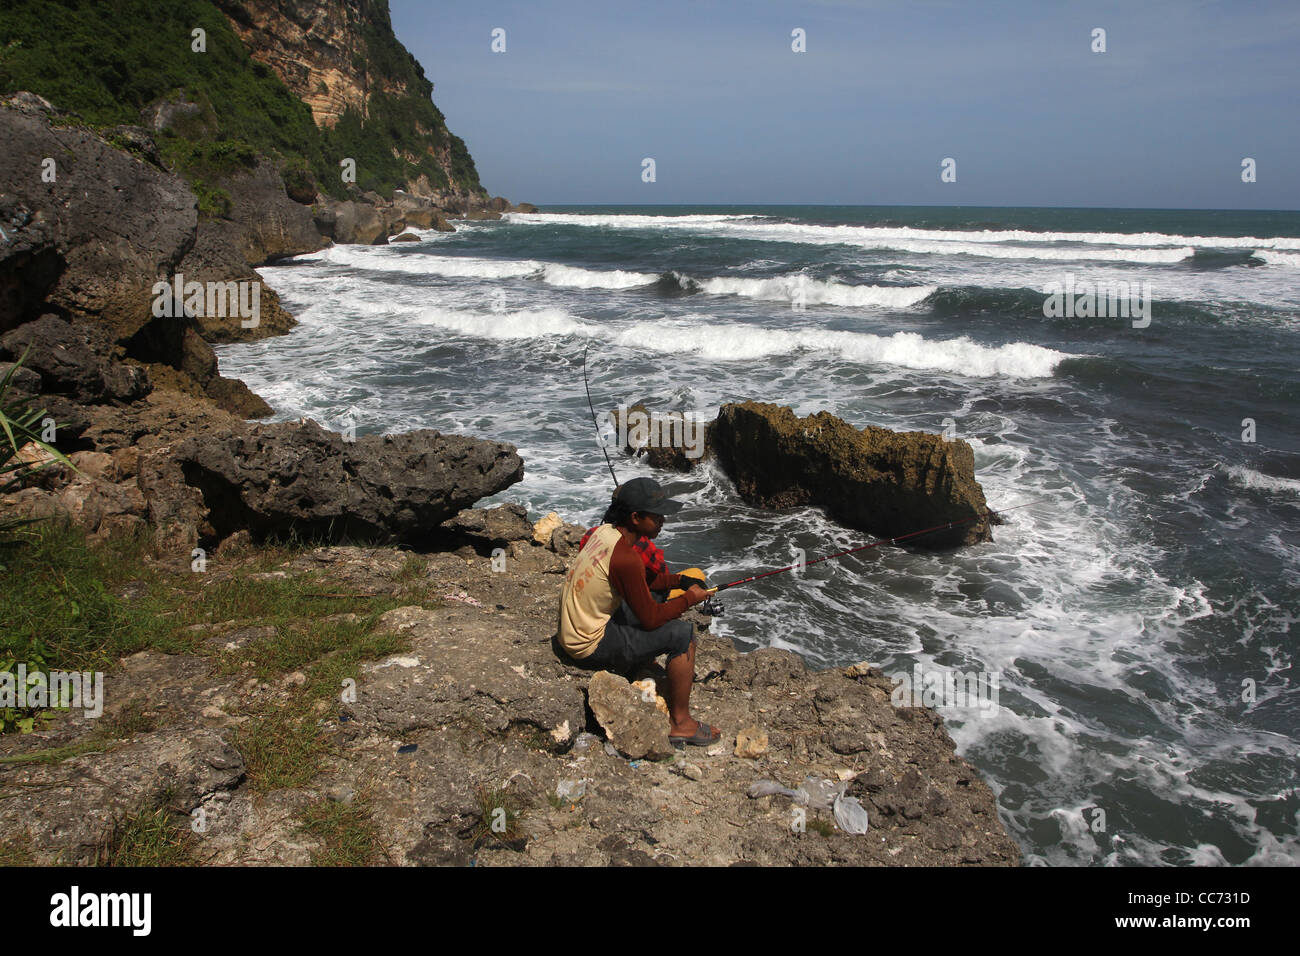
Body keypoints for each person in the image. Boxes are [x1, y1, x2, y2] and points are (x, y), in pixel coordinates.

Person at [556, 477, 721, 748]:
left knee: (653, 597)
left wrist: (680, 581)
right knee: (682, 633)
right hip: (587, 646)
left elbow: (644, 582)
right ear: (635, 517)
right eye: (657, 516)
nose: (662, 521)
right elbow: (651, 618)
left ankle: (638, 661)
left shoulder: (605, 534)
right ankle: (681, 724)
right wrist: (690, 598)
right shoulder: (626, 557)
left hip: (573, 631)